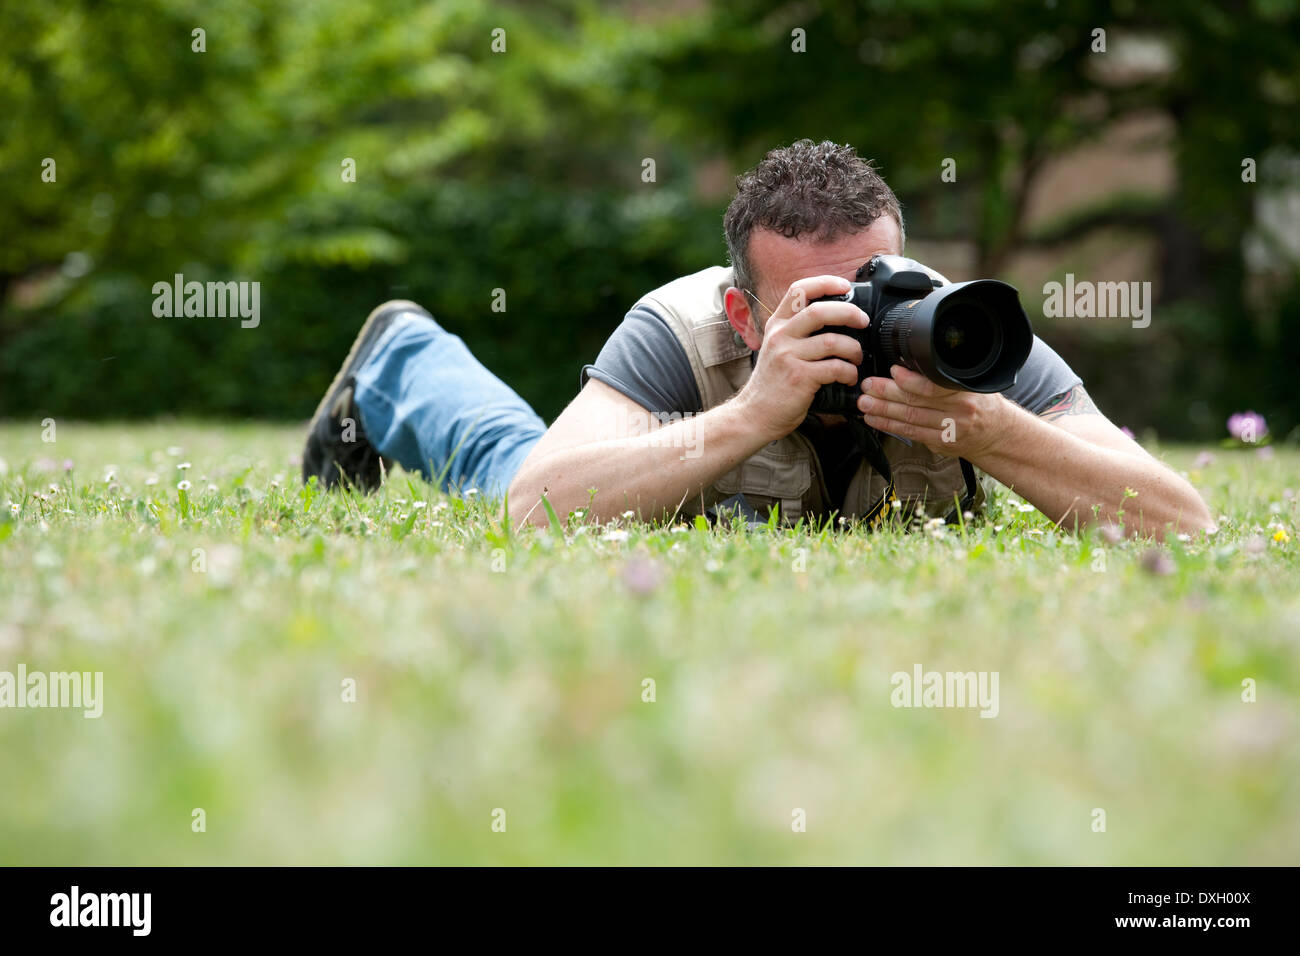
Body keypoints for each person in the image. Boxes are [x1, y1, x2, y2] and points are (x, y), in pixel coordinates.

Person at [302, 139, 1214, 537]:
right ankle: (403, 359)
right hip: (663, 444)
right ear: (744, 315)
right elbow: (536, 510)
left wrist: (982, 425)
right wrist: (747, 415)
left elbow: (1181, 521)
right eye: (822, 298)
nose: (866, 316)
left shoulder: (963, 331)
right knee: (508, 462)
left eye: (879, 280)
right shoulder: (687, 328)